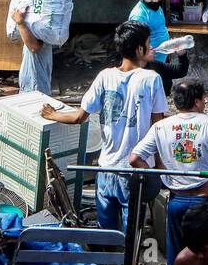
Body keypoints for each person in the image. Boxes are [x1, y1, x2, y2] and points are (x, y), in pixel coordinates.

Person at [41, 20, 166, 234]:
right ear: (139, 49)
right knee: (131, 234)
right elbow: (158, 127)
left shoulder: (104, 76)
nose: (151, 47)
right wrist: (162, 167)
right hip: (134, 170)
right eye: (148, 43)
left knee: (106, 232)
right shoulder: (152, 79)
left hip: (106, 168)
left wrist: (53, 114)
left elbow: (79, 117)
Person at [130, 79, 208, 265]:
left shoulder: (161, 127)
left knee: (178, 261)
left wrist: (161, 175)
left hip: (177, 201)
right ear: (198, 101)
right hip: (207, 200)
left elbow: (134, 159)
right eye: (204, 99)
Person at [128, 0, 189, 94]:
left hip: (163, 59)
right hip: (150, 65)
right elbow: (136, 45)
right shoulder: (139, 15)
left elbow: (160, 30)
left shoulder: (157, 7)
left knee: (164, 91)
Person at [12, 6, 54, 95]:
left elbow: (33, 47)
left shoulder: (41, 28)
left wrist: (20, 23)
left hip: (37, 89)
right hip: (31, 87)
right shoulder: (34, 27)